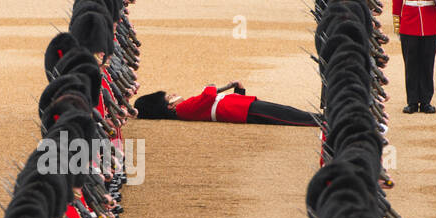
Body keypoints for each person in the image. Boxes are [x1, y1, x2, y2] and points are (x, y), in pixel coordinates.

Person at [132, 82, 323, 124]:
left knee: (285, 112)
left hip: (239, 105)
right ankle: (318, 121)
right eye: (169, 97)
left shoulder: (184, 107)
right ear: (169, 107)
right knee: (285, 116)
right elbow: (208, 98)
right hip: (240, 110)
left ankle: (318, 118)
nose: (173, 93)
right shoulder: (182, 110)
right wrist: (211, 86)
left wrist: (238, 92)